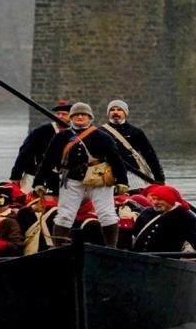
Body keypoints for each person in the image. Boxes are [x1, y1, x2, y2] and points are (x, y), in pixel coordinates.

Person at [33, 102, 127, 248]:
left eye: (84, 114)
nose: (80, 117)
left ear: (90, 118)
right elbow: (48, 160)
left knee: (106, 214)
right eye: (76, 114)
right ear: (71, 118)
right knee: (64, 215)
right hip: (71, 179)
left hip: (99, 179)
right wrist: (38, 182)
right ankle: (59, 248)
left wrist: (122, 180)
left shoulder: (102, 136)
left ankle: (111, 247)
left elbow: (116, 159)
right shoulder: (61, 137)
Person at [11, 99, 72, 194]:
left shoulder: (75, 133)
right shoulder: (41, 131)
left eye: (64, 114)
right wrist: (16, 175)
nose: (60, 116)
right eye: (58, 114)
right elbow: (25, 153)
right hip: (34, 174)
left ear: (71, 116)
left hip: (64, 178)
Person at [130, 184, 196, 253]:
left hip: (167, 259)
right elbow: (134, 233)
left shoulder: (184, 216)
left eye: (159, 199)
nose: (155, 202)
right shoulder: (146, 212)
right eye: (154, 199)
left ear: (169, 200)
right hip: (139, 255)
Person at [101, 99, 165, 186]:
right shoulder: (99, 132)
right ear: (108, 113)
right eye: (112, 110)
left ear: (125, 113)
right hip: (107, 174)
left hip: (133, 174)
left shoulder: (135, 132)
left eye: (119, 110)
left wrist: (159, 178)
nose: (115, 112)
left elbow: (150, 155)